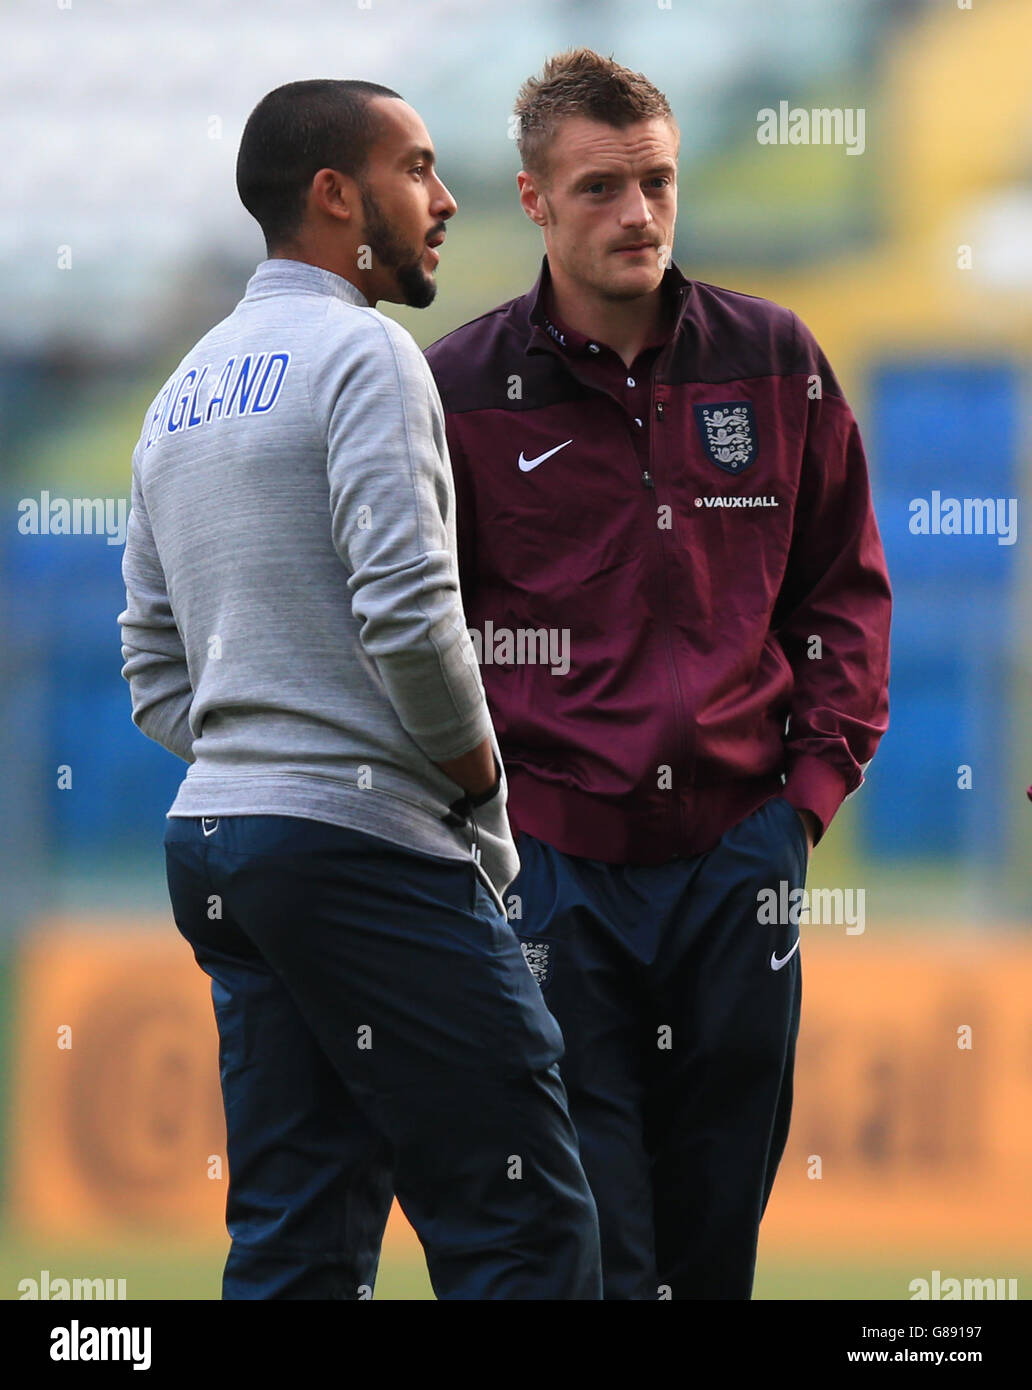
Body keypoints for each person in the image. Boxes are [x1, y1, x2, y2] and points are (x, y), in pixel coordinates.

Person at [118, 78, 601, 1301]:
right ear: (336, 195)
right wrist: (476, 774)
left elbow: (153, 671)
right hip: (364, 850)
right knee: (522, 1225)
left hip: (224, 846)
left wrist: (260, 753)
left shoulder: (178, 394)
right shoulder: (368, 353)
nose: (443, 201)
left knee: (298, 1237)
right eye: (417, 169)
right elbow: (407, 612)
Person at [425, 49, 892, 1300]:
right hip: (552, 875)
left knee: (713, 1242)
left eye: (657, 181)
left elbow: (842, 592)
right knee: (593, 1243)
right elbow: (418, 630)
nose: (638, 213)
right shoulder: (458, 391)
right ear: (533, 199)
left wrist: (802, 804)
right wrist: (485, 820)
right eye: (600, 189)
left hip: (741, 859)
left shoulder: (774, 357)